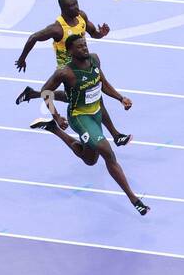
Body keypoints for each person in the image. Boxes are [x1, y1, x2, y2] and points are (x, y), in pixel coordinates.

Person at [30, 35, 148, 215]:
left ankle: (53, 130)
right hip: (79, 117)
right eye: (79, 47)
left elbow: (103, 83)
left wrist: (120, 98)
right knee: (107, 152)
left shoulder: (94, 59)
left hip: (96, 113)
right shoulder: (65, 73)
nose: (84, 48)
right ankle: (134, 199)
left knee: (90, 160)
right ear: (70, 51)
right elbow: (46, 91)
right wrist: (56, 115)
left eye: (84, 45)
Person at [14, 0, 130, 146]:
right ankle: (116, 135)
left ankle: (32, 93)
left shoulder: (81, 16)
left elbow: (93, 33)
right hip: (68, 71)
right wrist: (22, 59)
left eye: (76, 4)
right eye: (71, 6)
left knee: (84, 97)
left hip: (83, 63)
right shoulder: (57, 29)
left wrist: (101, 34)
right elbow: (33, 37)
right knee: (92, 98)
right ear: (63, 9)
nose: (76, 8)